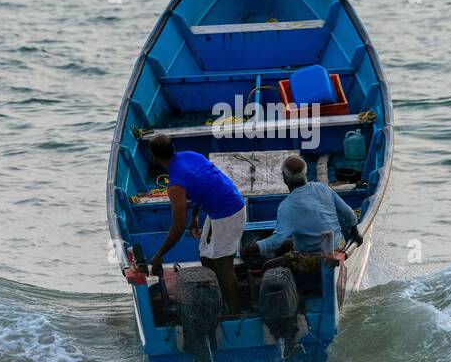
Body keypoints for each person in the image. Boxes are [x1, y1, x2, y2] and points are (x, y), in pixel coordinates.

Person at [147, 134, 245, 313]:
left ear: (153, 156)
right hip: (223, 206)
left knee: (224, 266)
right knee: (206, 255)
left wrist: (159, 254)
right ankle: (218, 300)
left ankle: (235, 313)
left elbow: (177, 227)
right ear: (173, 148)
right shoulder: (192, 155)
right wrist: (195, 217)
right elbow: (205, 184)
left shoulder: (175, 185)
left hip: (228, 214)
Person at [246, 154, 362, 266]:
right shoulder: (323, 188)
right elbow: (349, 214)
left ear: (284, 178)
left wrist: (250, 248)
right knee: (288, 245)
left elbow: (276, 242)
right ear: (305, 173)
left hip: (318, 258)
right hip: (340, 247)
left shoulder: (287, 206)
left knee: (267, 266)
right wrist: (355, 234)